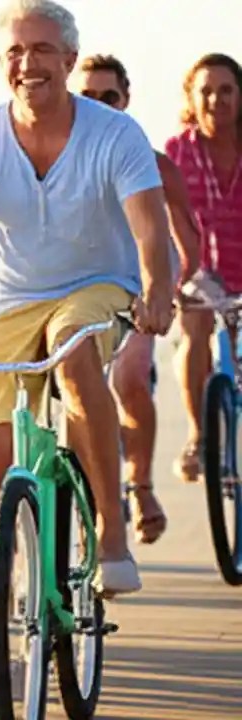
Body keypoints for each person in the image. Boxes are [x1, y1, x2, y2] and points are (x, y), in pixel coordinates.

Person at [0, 0, 174, 596]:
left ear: (69, 59)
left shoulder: (117, 134)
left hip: (94, 286)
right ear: (1, 63)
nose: (28, 63)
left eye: (42, 49)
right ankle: (13, 589)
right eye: (15, 52)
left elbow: (148, 227)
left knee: (72, 356)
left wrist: (157, 293)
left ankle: (111, 536)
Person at [70, 53, 220, 544]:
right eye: (86, 97)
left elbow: (187, 240)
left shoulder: (154, 164)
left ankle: (140, 486)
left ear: (126, 100)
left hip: (137, 289)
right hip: (74, 292)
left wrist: (170, 289)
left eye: (108, 96)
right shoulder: (53, 158)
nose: (98, 106)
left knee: (131, 378)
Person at [164, 52, 242, 483]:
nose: (216, 100)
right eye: (206, 92)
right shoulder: (178, 151)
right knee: (194, 331)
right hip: (200, 271)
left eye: (226, 90)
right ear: (192, 100)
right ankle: (198, 434)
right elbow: (172, 220)